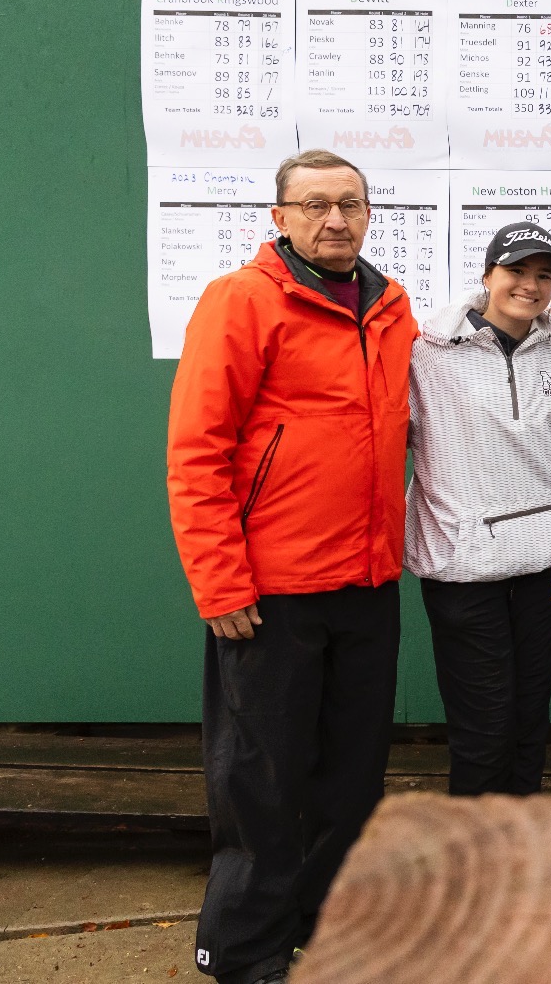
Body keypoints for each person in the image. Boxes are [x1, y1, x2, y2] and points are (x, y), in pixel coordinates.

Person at [166, 149, 413, 984]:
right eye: (314, 205)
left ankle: (323, 920)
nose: (334, 219)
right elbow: (196, 450)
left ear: (370, 213)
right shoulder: (241, 300)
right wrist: (219, 581)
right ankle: (243, 946)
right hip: (270, 591)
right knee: (261, 779)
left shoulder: (391, 307)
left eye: (349, 203)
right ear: (280, 217)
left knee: (350, 774)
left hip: (370, 583)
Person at [404, 222, 551, 797]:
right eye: (516, 271)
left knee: (529, 718)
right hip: (462, 560)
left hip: (545, 557)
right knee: (482, 727)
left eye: (543, 276)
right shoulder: (427, 353)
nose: (530, 286)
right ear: (487, 276)